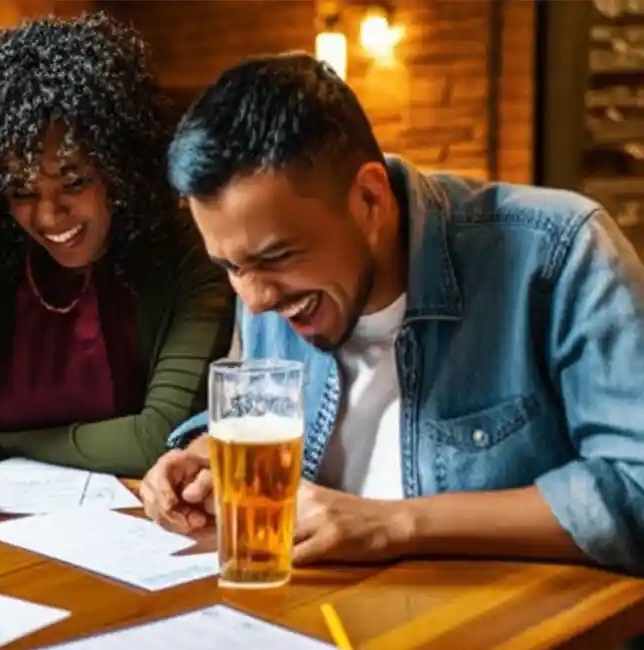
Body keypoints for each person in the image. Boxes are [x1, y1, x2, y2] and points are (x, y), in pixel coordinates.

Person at [140, 53, 644, 574]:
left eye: (276, 258)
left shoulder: (559, 252)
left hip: (519, 635)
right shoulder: (267, 285)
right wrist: (203, 457)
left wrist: (393, 524)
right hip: (321, 622)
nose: (255, 300)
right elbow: (252, 417)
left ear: (369, 199)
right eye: (230, 266)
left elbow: (637, 487)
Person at [0, 13, 233, 512]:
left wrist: (3, 440)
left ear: (117, 167)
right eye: (21, 191)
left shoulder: (190, 251)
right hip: (0, 524)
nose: (47, 214)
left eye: (74, 182)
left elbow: (157, 436)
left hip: (145, 523)